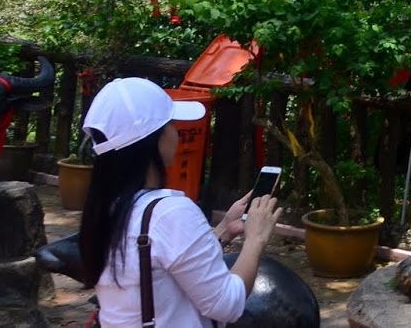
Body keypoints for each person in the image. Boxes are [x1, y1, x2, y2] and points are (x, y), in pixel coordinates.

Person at [78, 77, 283, 327]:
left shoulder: (109, 207)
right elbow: (228, 305)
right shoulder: (171, 212)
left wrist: (224, 230)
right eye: (171, 124)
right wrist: (256, 240)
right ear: (155, 139)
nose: (177, 131)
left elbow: (169, 262)